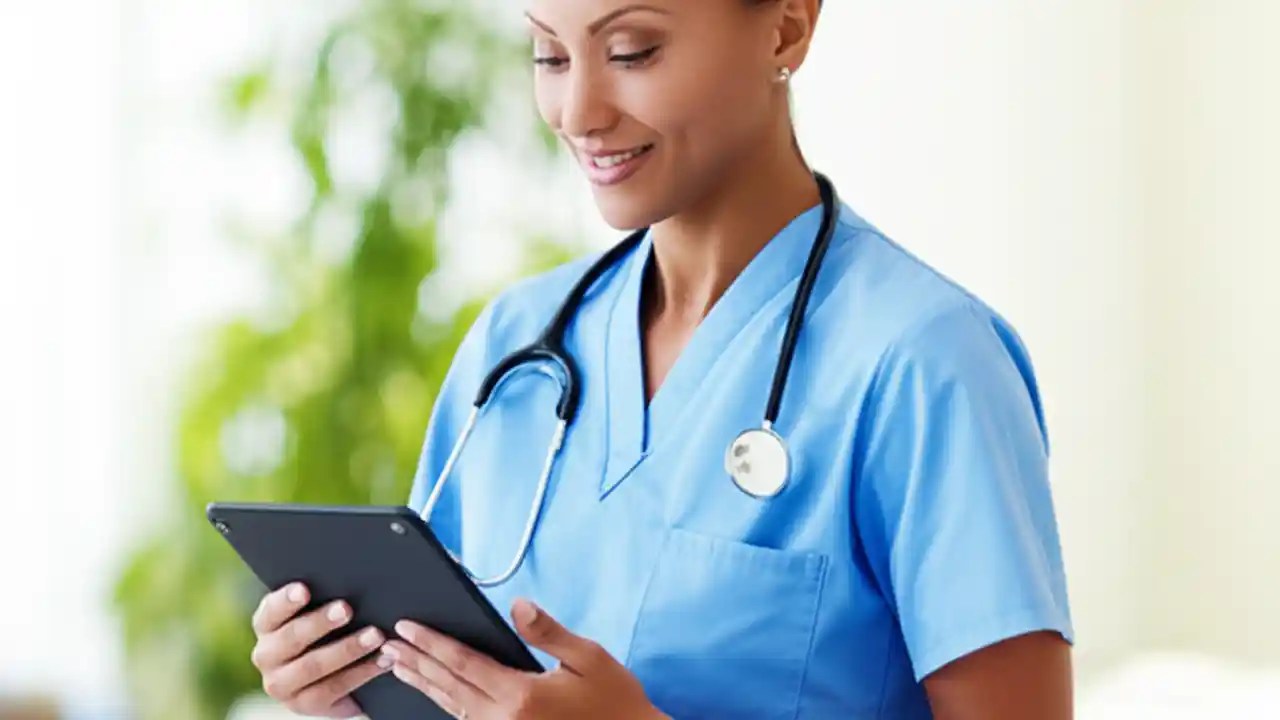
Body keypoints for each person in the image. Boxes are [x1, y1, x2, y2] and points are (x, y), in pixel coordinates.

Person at [246, 1, 1075, 717]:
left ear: (787, 27)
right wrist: (354, 680)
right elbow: (459, 682)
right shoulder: (515, 345)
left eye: (631, 52)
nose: (578, 111)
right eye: (550, 54)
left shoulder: (926, 363)